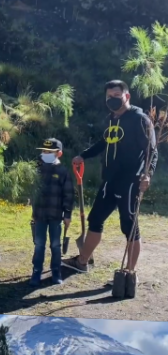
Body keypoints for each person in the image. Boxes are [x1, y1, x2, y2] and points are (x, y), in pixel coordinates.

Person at [66, 80, 158, 276]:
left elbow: (152, 151)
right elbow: (104, 142)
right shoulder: (111, 119)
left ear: (126, 96)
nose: (112, 100)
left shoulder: (140, 119)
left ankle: (129, 273)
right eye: (109, 97)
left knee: (129, 226)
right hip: (109, 180)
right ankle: (82, 261)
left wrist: (147, 175)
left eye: (116, 96)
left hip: (130, 182)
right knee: (96, 219)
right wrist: (83, 155)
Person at [30, 138, 75, 286]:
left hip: (56, 216)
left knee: (56, 245)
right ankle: (36, 271)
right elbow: (30, 190)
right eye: (44, 151)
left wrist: (67, 214)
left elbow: (68, 194)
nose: (45, 153)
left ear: (58, 154)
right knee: (39, 244)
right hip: (39, 215)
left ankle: (56, 271)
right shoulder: (36, 169)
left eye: (49, 152)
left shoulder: (63, 172)